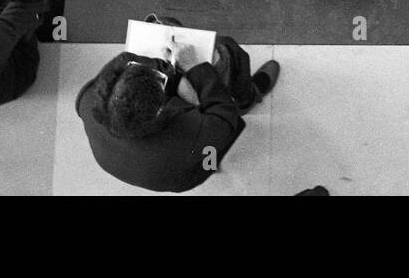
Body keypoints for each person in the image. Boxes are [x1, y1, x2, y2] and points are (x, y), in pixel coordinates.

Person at [76, 31, 280, 192]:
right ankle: (247, 98)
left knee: (166, 27)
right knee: (230, 54)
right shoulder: (193, 134)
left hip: (129, 162)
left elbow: (124, 60)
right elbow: (224, 115)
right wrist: (194, 67)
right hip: (186, 171)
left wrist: (173, 77)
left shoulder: (89, 98)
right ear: (159, 109)